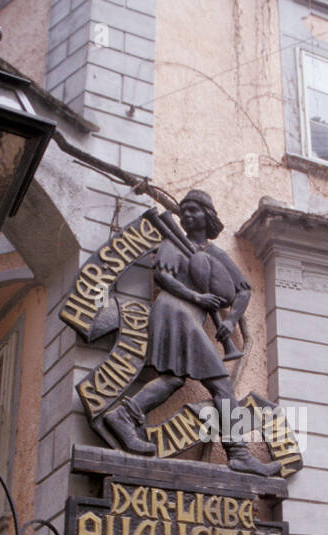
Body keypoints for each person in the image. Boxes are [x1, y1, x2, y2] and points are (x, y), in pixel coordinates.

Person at [103, 190, 280, 477]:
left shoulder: (214, 253)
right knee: (221, 384)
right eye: (183, 210)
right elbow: (163, 277)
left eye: (194, 210)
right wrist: (197, 298)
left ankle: (125, 415)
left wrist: (230, 320)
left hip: (189, 318)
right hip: (175, 311)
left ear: (207, 216)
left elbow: (243, 289)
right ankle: (238, 454)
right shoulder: (176, 242)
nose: (187, 215)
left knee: (173, 378)